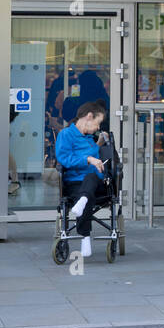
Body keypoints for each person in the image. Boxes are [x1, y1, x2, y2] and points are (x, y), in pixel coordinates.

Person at [55, 100, 112, 259]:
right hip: (75, 183)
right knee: (87, 193)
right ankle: (85, 237)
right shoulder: (65, 135)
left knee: (91, 179)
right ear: (88, 116)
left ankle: (83, 205)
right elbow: (65, 158)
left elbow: (96, 159)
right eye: (97, 122)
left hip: (94, 182)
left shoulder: (89, 139)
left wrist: (99, 144)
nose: (98, 127)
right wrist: (88, 159)